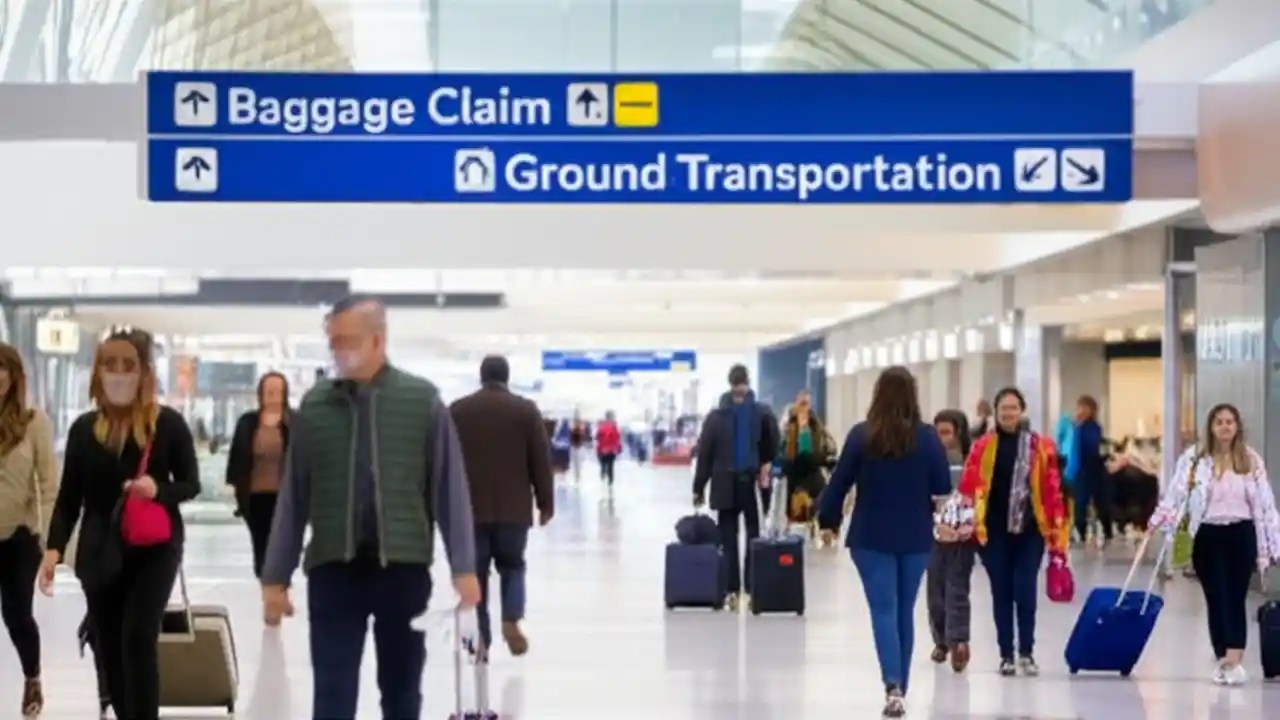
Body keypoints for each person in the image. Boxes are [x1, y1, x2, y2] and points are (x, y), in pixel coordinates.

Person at [260, 297, 481, 720]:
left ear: (378, 339)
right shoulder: (315, 407)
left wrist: (464, 567)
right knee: (332, 696)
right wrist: (275, 576)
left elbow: (449, 488)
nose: (339, 349)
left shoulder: (421, 401)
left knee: (401, 695)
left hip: (403, 570)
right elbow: (294, 496)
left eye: (348, 339)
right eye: (333, 340)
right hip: (332, 572)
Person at [40, 328, 201, 720]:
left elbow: (191, 484)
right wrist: (53, 549)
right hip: (99, 551)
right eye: (109, 365)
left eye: (127, 365)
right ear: (96, 374)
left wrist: (157, 489)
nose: (118, 373)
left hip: (154, 547)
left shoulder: (168, 425)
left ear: (144, 373)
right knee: (108, 642)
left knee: (137, 637)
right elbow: (68, 498)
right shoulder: (83, 431)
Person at [817, 367, 950, 718]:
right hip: (915, 535)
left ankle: (893, 686)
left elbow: (839, 483)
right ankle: (899, 689)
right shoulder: (928, 438)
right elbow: (941, 486)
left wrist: (827, 520)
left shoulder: (862, 435)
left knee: (883, 610)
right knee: (904, 610)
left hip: (870, 535)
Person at [1147, 403, 1280, 685]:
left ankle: (1234, 660)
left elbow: (1266, 505)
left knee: (1235, 597)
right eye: (1219, 421)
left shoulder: (1250, 460)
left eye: (1230, 421)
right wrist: (1158, 521)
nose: (1225, 427)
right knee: (1216, 596)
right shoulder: (1194, 459)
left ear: (1237, 426)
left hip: (1242, 533)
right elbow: (1176, 494)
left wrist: (1274, 543)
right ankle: (1223, 656)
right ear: (1211, 427)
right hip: (1207, 535)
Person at [450, 355, 555, 658]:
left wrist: (439, 506)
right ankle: (511, 617)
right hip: (513, 509)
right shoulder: (525, 411)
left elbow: (443, 461)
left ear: (481, 376)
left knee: (476, 573)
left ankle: (480, 639)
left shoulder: (458, 411)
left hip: (469, 510)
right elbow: (540, 460)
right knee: (513, 565)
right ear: (507, 377)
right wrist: (545, 503)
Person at [958, 387, 1067, 677]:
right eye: (1003, 408)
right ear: (996, 412)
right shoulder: (982, 447)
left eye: (1013, 408)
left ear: (1022, 411)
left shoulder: (1040, 447)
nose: (1008, 413)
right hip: (993, 533)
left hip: (1030, 532)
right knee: (1001, 592)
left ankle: (1027, 652)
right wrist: (966, 524)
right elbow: (968, 488)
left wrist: (1058, 532)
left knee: (1025, 590)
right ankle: (1006, 653)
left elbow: (1053, 489)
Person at [692, 364, 778, 612]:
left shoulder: (717, 417)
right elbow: (773, 448)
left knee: (730, 538)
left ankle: (732, 591)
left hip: (726, 484)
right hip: (748, 484)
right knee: (751, 535)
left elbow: (705, 456)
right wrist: (766, 465)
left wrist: (698, 488)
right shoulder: (762, 413)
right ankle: (750, 590)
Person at [0, 344, 57, 715]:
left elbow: (49, 486)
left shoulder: (34, 422)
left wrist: (51, 546)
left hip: (19, 538)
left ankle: (32, 678)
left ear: (13, 375)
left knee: (16, 613)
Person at [226, 371, 291, 578]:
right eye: (268, 391)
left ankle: (278, 584)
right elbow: (237, 456)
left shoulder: (295, 423)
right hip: (254, 497)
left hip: (285, 498)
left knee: (281, 547)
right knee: (261, 545)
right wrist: (233, 484)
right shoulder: (247, 422)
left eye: (277, 391)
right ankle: (267, 586)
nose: (273, 395)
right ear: (261, 393)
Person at [926, 409, 976, 672]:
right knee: (935, 591)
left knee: (957, 589)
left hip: (962, 536)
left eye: (946, 432)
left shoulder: (971, 462)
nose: (941, 438)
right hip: (933, 534)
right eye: (937, 433)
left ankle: (959, 641)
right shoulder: (927, 460)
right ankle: (940, 640)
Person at [776, 390, 835, 535]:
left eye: (806, 403)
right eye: (801, 403)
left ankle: (825, 527)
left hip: (812, 474)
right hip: (794, 475)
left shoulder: (816, 426)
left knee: (822, 499)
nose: (803, 408)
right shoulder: (787, 427)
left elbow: (827, 448)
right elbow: (782, 452)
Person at [1071, 395, 1110, 546]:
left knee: (1101, 502)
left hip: (1094, 469)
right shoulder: (1076, 427)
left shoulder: (1094, 428)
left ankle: (1107, 531)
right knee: (1080, 503)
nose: (1080, 410)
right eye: (1079, 407)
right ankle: (1080, 532)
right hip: (1081, 470)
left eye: (1084, 407)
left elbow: (1093, 448)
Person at [595, 411, 623, 488]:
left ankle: (603, 473)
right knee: (611, 465)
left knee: (603, 464)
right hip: (611, 449)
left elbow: (597, 437)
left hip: (602, 449)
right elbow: (617, 437)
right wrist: (616, 448)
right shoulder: (615, 426)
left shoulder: (601, 426)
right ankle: (610, 481)